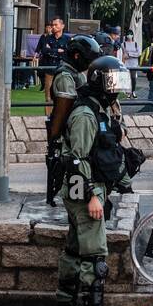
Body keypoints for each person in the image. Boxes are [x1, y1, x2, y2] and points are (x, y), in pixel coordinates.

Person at [52, 55, 134, 306]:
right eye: (113, 82)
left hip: (83, 189)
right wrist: (91, 196)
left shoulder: (98, 109)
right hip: (86, 191)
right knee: (96, 256)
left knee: (75, 250)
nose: (116, 89)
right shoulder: (86, 114)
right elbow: (76, 160)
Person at [45, 34, 101, 204]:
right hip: (67, 130)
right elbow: (65, 106)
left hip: (76, 125)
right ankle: (69, 201)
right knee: (71, 167)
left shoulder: (76, 73)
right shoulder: (65, 75)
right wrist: (55, 137)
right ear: (77, 56)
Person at [36, 17, 68, 97]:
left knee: (62, 96)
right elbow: (44, 50)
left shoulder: (67, 39)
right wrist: (57, 50)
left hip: (62, 71)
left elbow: (67, 52)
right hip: (49, 70)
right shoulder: (47, 38)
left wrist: (50, 49)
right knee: (48, 97)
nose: (53, 27)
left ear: (62, 26)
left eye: (56, 25)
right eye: (52, 25)